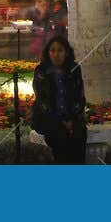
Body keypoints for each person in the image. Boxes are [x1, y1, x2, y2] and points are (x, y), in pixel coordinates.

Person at [31, 35, 88, 164]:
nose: (56, 54)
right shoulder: (42, 71)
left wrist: (72, 119)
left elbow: (80, 97)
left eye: (60, 50)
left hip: (72, 117)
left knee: (79, 135)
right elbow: (42, 101)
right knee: (60, 138)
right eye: (53, 50)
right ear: (48, 52)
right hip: (48, 117)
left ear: (66, 52)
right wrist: (61, 121)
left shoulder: (74, 69)